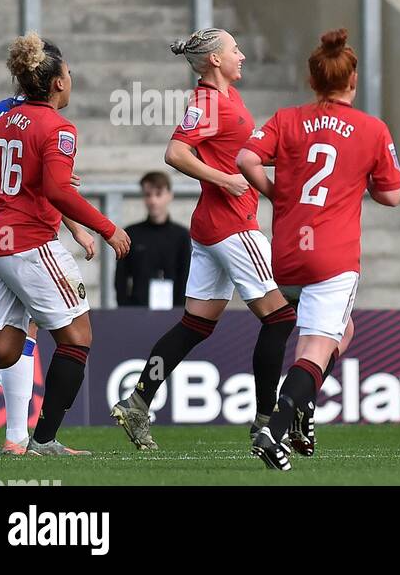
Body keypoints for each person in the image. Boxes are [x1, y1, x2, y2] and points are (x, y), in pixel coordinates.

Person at [110, 28, 295, 450]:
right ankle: (266, 421)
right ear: (214, 59)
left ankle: (138, 403)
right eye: (235, 50)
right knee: (281, 318)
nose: (242, 55)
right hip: (231, 225)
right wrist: (226, 180)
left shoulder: (227, 97)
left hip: (212, 228)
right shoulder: (208, 102)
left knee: (195, 324)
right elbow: (175, 153)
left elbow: (236, 149)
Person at [0, 32, 131, 455]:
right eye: (69, 74)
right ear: (56, 83)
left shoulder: (0, 121)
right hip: (28, 242)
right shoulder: (59, 127)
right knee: (77, 338)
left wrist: (22, 180)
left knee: (2, 350)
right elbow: (58, 191)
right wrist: (107, 228)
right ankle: (44, 440)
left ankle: (23, 432)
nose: (71, 79)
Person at [237, 28, 400, 470]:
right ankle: (274, 428)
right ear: (353, 81)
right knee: (314, 347)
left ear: (313, 80)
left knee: (340, 334)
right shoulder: (371, 128)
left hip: (287, 252)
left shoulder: (286, 118)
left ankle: (302, 406)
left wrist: (277, 194)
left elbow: (244, 160)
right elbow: (391, 195)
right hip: (332, 255)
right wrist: (356, 177)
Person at [114, 171, 191, 307]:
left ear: (169, 196)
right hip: (137, 312)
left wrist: (180, 310)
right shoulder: (131, 234)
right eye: (148, 195)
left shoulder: (182, 236)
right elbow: (121, 277)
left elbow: (186, 276)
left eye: (158, 194)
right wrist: (125, 308)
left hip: (174, 312)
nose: (153, 201)